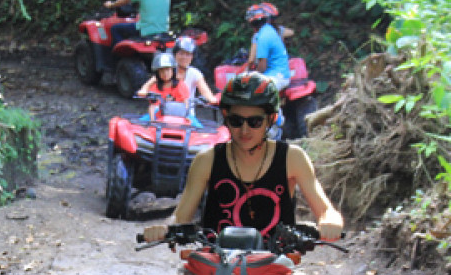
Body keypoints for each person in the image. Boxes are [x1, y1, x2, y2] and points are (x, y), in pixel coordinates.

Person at [142, 72, 342, 241]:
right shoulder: (207, 160)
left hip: (277, 267)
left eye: (254, 121)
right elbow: (180, 216)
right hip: (213, 267)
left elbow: (325, 209)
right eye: (236, 121)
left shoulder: (292, 158)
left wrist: (330, 222)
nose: (244, 130)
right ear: (226, 117)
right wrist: (165, 229)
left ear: (270, 119)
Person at [245, 4, 292, 90]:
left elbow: (262, 66)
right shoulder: (269, 29)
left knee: (247, 89)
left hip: (276, 77)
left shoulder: (262, 37)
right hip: (280, 74)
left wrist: (252, 74)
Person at [137, 52, 189, 118]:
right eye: (161, 71)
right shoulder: (155, 86)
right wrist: (153, 121)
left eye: (167, 69)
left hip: (179, 116)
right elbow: (153, 106)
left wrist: (184, 117)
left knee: (197, 126)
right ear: (157, 73)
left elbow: (186, 104)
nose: (165, 73)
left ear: (173, 70)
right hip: (160, 117)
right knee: (140, 125)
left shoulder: (180, 85)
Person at [172, 36, 218, 105]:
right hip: (166, 111)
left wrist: (213, 100)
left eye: (188, 54)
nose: (184, 57)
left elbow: (206, 93)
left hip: (187, 113)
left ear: (192, 56)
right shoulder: (167, 70)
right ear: (175, 54)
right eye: (181, 53)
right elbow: (151, 85)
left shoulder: (195, 73)